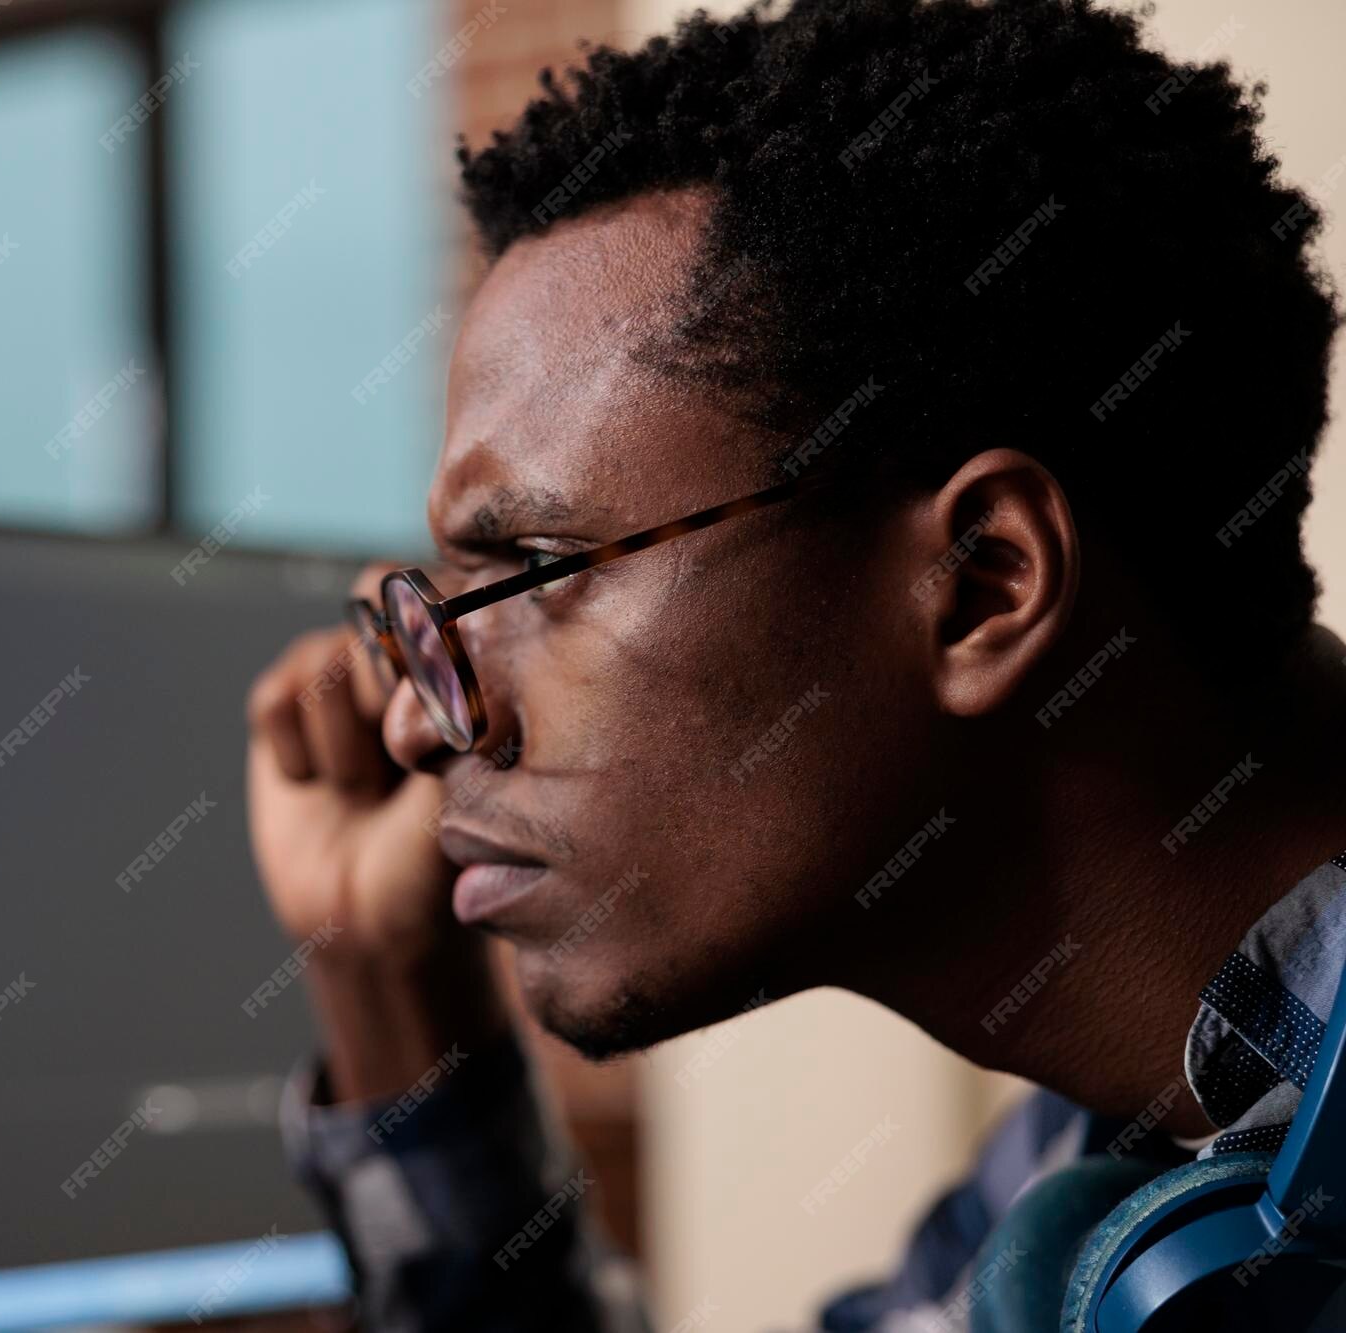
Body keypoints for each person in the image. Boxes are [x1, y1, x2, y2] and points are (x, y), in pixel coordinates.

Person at [241, 0, 1346, 1327]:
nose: (424, 729)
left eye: (529, 566)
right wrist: (384, 974)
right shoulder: (1102, 1181)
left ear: (983, 586)